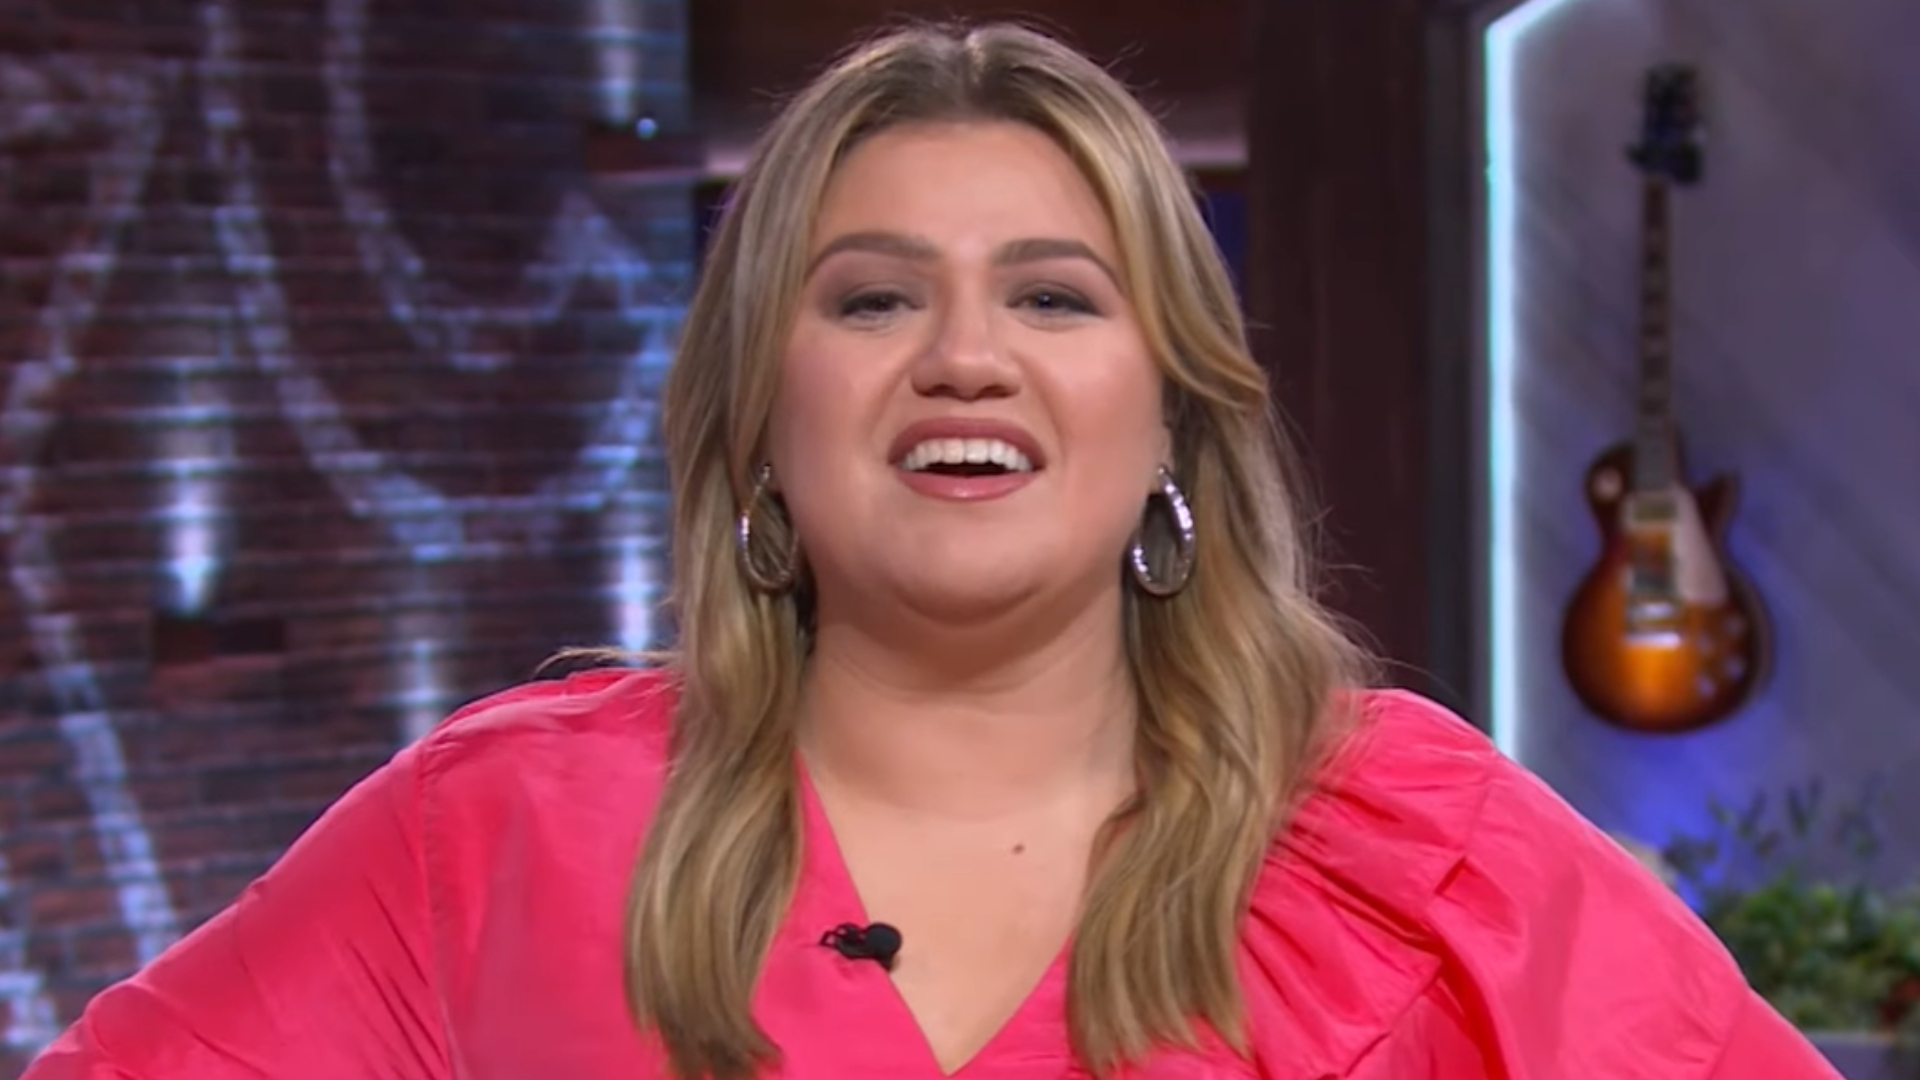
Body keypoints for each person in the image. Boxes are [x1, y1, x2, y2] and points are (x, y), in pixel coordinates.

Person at [25, 20, 1841, 1080]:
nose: (965, 357)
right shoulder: (492, 835)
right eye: (873, 298)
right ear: (762, 413)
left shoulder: (1421, 852)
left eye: (1054, 297)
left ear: (1171, 416)